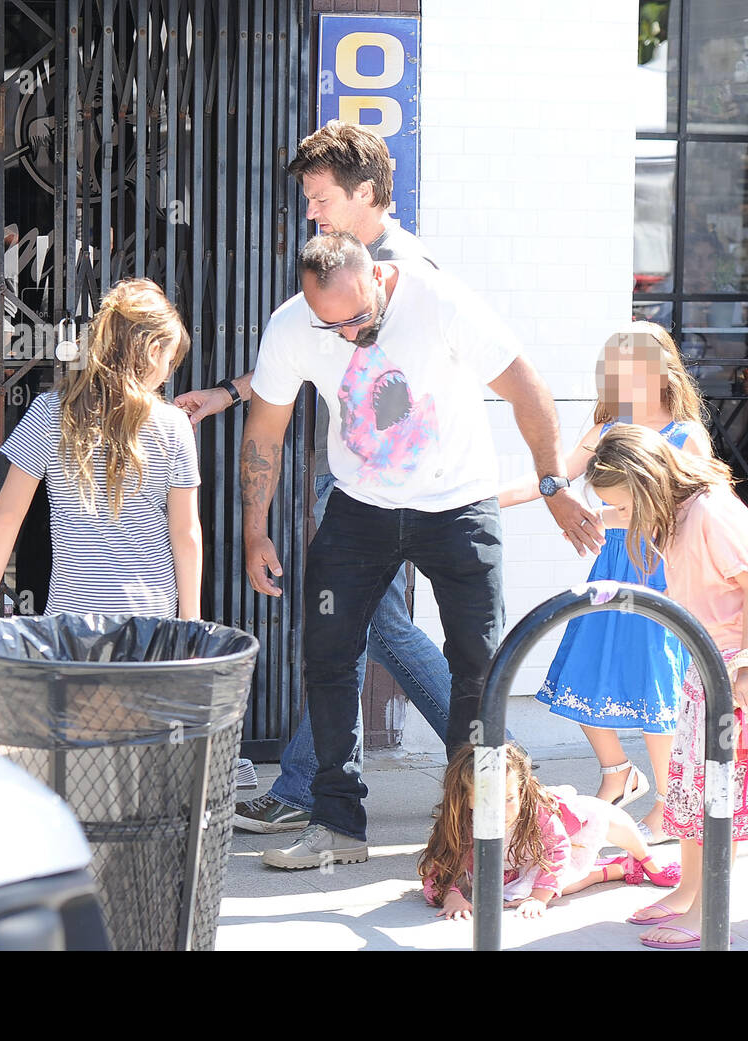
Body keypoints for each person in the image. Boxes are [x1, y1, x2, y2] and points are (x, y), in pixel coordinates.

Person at [243, 232, 604, 870]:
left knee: (477, 666)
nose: (349, 333)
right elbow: (265, 430)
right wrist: (255, 529)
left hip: (459, 507)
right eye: (333, 324)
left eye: (358, 318)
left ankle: (473, 832)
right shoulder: (293, 326)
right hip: (360, 509)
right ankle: (337, 823)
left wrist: (552, 485)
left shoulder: (438, 299)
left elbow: (528, 390)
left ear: (379, 279)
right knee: (327, 657)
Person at [173, 121, 456, 833]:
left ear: (365, 193)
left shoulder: (405, 276)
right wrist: (231, 393)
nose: (310, 210)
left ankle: (489, 753)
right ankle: (306, 783)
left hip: (396, 492)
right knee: (348, 635)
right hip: (359, 488)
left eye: (320, 195)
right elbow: (302, 358)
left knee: (372, 627)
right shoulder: (342, 272)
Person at [500, 322, 712, 843]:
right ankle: (617, 772)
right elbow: (556, 475)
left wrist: (616, 518)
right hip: (610, 571)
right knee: (581, 672)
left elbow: (695, 505)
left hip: (662, 575)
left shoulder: (685, 435)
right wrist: (485, 496)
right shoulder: (609, 428)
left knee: (655, 688)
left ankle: (669, 800)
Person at [584, 424, 748, 949]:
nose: (621, 517)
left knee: (725, 790)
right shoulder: (672, 508)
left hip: (743, 665)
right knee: (694, 787)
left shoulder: (710, 511)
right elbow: (612, 515)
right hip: (704, 657)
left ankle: (708, 909)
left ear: (645, 483)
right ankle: (689, 891)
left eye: (622, 506)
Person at [0, 278, 200, 622]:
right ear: (153, 352)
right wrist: (190, 622)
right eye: (170, 361)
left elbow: (7, 516)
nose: (167, 374)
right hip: (150, 617)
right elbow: (185, 533)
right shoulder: (173, 425)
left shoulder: (49, 411)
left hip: (71, 617)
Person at [419, 743, 680, 921]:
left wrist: (539, 898)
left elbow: (557, 849)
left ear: (521, 790)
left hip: (569, 835)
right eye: (487, 800)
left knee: (610, 819)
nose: (499, 809)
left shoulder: (536, 809)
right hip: (522, 859)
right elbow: (439, 862)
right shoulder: (459, 820)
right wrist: (451, 896)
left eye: (508, 798)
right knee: (548, 888)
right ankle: (615, 869)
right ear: (466, 798)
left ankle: (646, 860)